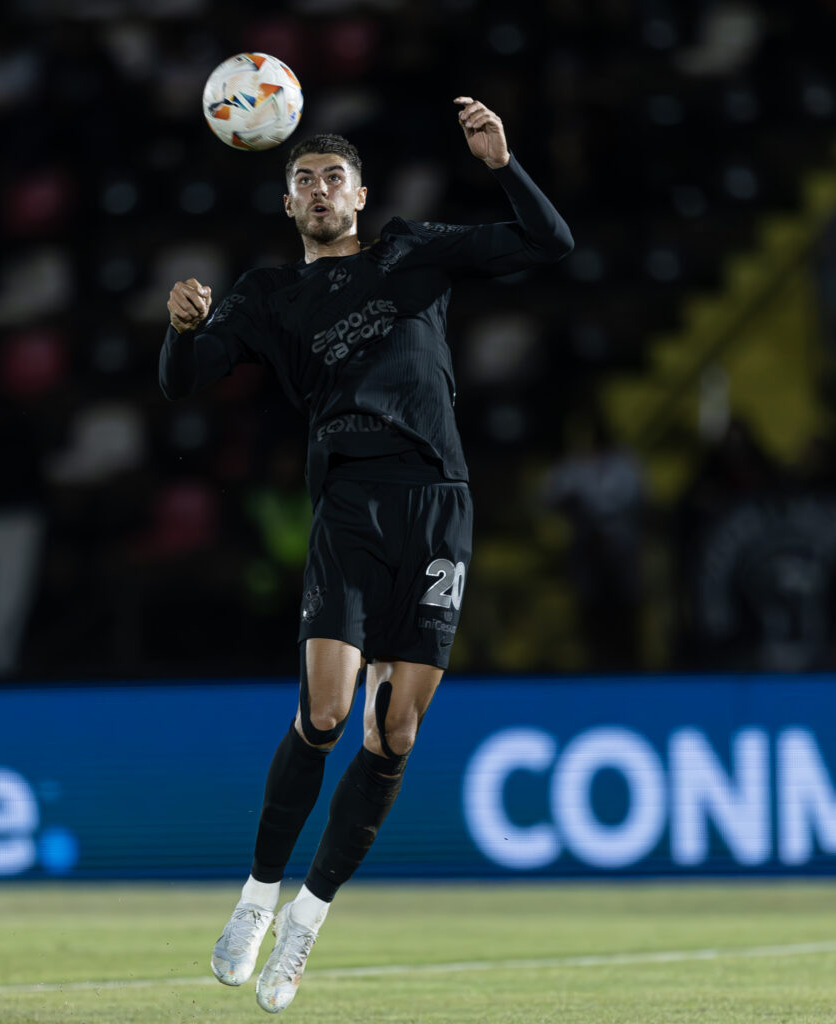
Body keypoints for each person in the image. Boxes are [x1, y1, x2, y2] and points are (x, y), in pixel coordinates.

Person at [160, 96, 573, 1014]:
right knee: (326, 713)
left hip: (436, 503)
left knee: (394, 734)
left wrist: (503, 164)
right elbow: (183, 381)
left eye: (331, 177)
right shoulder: (270, 295)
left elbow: (549, 243)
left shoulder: (408, 250)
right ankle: (255, 899)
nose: (317, 190)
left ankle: (305, 922)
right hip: (348, 502)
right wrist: (181, 328)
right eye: (301, 180)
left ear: (359, 193)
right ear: (286, 204)